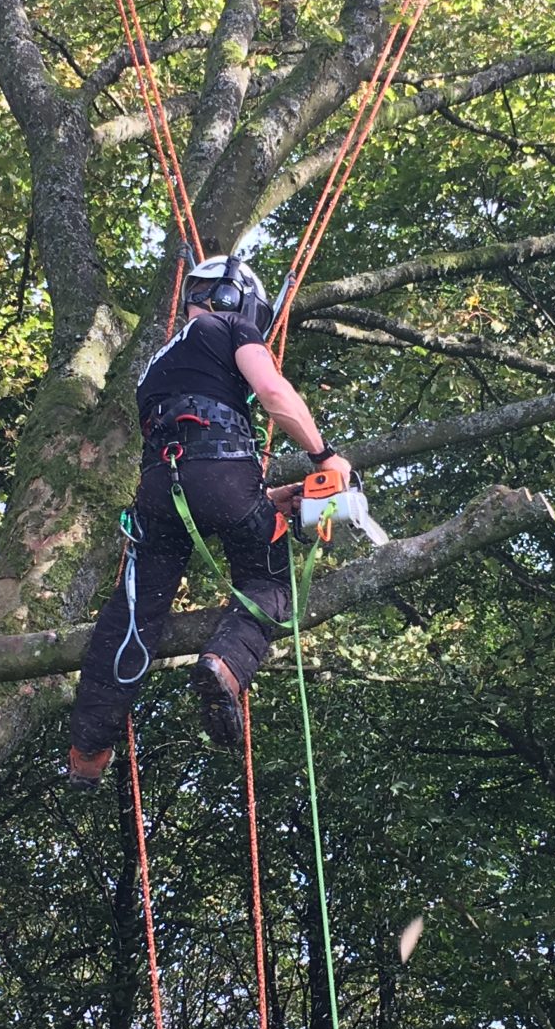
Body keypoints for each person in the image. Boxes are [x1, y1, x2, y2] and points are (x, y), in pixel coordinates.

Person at [66, 254, 352, 785]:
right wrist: (323, 455)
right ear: (233, 298)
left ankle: (88, 748)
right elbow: (272, 394)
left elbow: (193, 455)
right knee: (268, 580)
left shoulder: (155, 364)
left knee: (131, 612)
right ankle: (225, 663)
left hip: (159, 489)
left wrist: (269, 494)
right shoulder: (232, 325)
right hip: (223, 479)